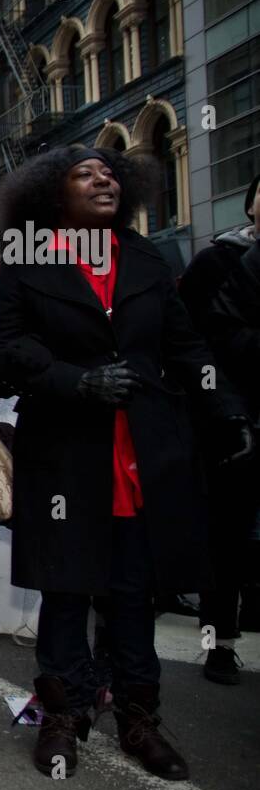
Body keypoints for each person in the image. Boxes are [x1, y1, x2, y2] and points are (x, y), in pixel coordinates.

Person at [0, 146, 253, 781]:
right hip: (68, 459)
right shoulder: (26, 261)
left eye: (109, 173)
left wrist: (228, 409)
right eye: (83, 174)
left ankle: (139, 717)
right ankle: (63, 719)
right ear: (51, 196)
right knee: (68, 592)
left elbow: (186, 347)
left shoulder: (149, 257)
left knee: (133, 595)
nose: (102, 179)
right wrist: (73, 380)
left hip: (144, 457)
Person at [178, 174, 260, 684]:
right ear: (251, 203)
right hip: (236, 420)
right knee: (228, 536)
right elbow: (199, 344)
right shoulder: (219, 261)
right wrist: (226, 412)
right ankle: (219, 642)